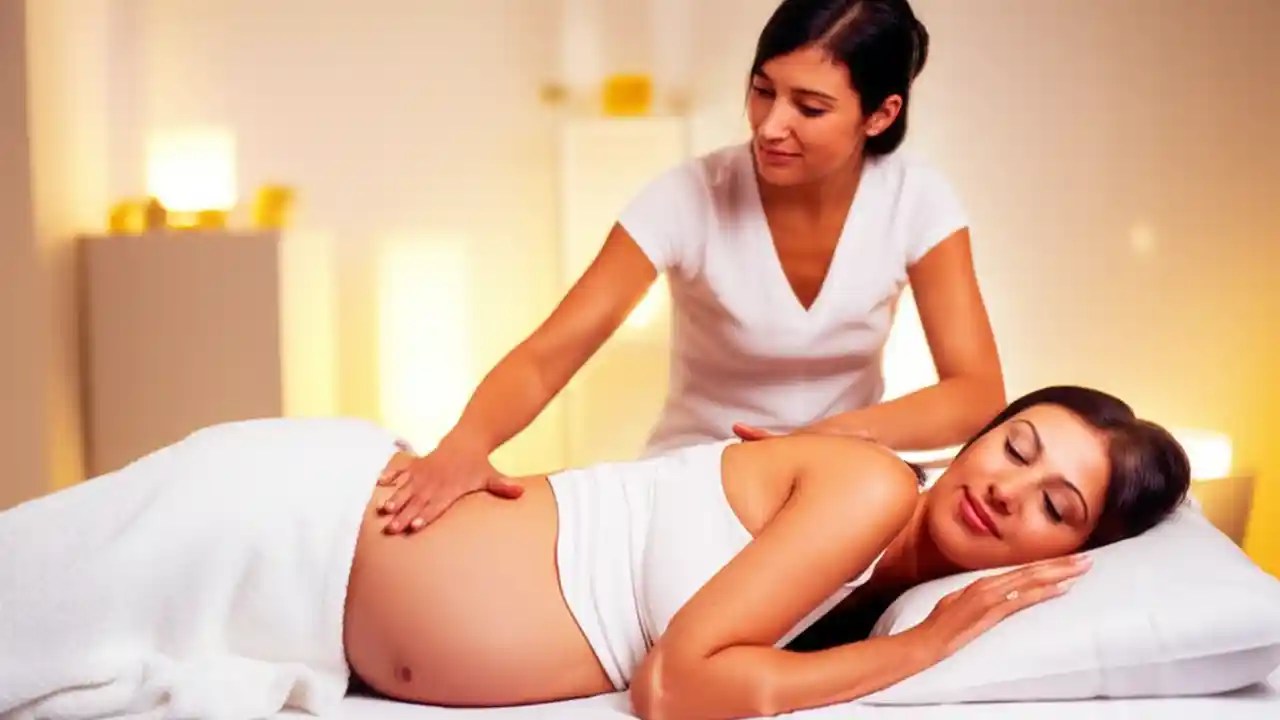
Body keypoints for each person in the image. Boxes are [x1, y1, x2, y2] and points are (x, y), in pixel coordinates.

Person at [378, 0, 1006, 535]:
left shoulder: (915, 199)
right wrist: (464, 445)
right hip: (696, 485)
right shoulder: (689, 196)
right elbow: (551, 353)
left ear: (880, 114)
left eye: (809, 108)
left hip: (835, 485)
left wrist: (823, 439)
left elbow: (975, 394)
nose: (771, 126)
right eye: (763, 91)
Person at [344, 385, 1189, 718]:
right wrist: (919, 650)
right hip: (327, 528)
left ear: (1080, 552)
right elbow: (673, 688)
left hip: (325, 613)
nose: (1010, 489)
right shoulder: (874, 487)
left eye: (1055, 504)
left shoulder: (870, 595)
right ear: (980, 435)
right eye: (1017, 447)